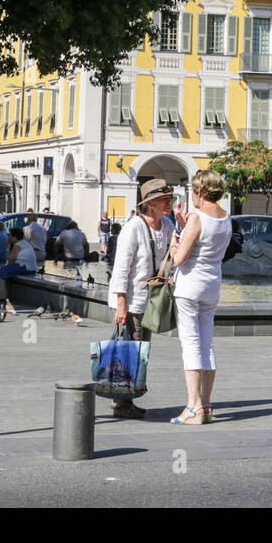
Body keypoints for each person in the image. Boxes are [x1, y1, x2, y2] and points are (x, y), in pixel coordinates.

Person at [108, 179, 177, 419]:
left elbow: (175, 250)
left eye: (170, 198)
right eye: (163, 199)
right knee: (129, 349)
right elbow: (121, 268)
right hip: (132, 301)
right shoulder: (133, 227)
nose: (169, 202)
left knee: (140, 350)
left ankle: (127, 399)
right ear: (149, 204)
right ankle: (120, 402)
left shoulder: (166, 224)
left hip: (150, 301)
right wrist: (121, 304)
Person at [168, 171, 230, 425]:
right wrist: (186, 225)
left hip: (190, 287)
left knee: (190, 344)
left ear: (201, 192)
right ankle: (206, 404)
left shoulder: (196, 217)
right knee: (207, 343)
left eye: (193, 190)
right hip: (212, 286)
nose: (192, 195)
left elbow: (179, 258)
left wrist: (175, 236)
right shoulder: (227, 219)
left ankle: (192, 406)